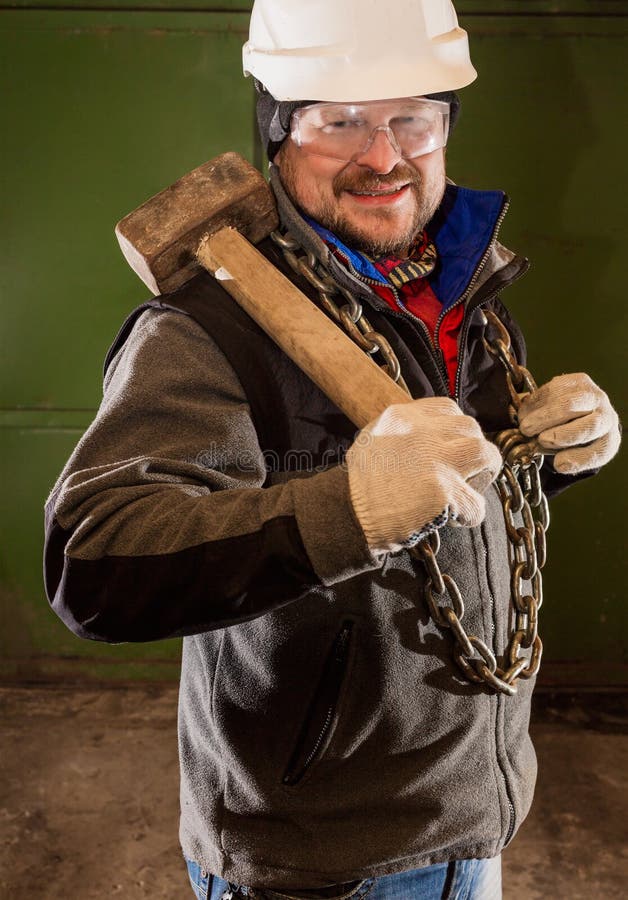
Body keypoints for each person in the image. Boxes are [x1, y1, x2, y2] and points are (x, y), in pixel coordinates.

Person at [44, 1, 620, 898]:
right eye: (341, 122)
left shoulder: (456, 288)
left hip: (479, 818)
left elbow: (463, 497)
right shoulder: (201, 332)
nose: (384, 155)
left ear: (444, 127)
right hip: (320, 863)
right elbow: (93, 560)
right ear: (278, 133)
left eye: (410, 119)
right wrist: (349, 510)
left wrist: (546, 451)